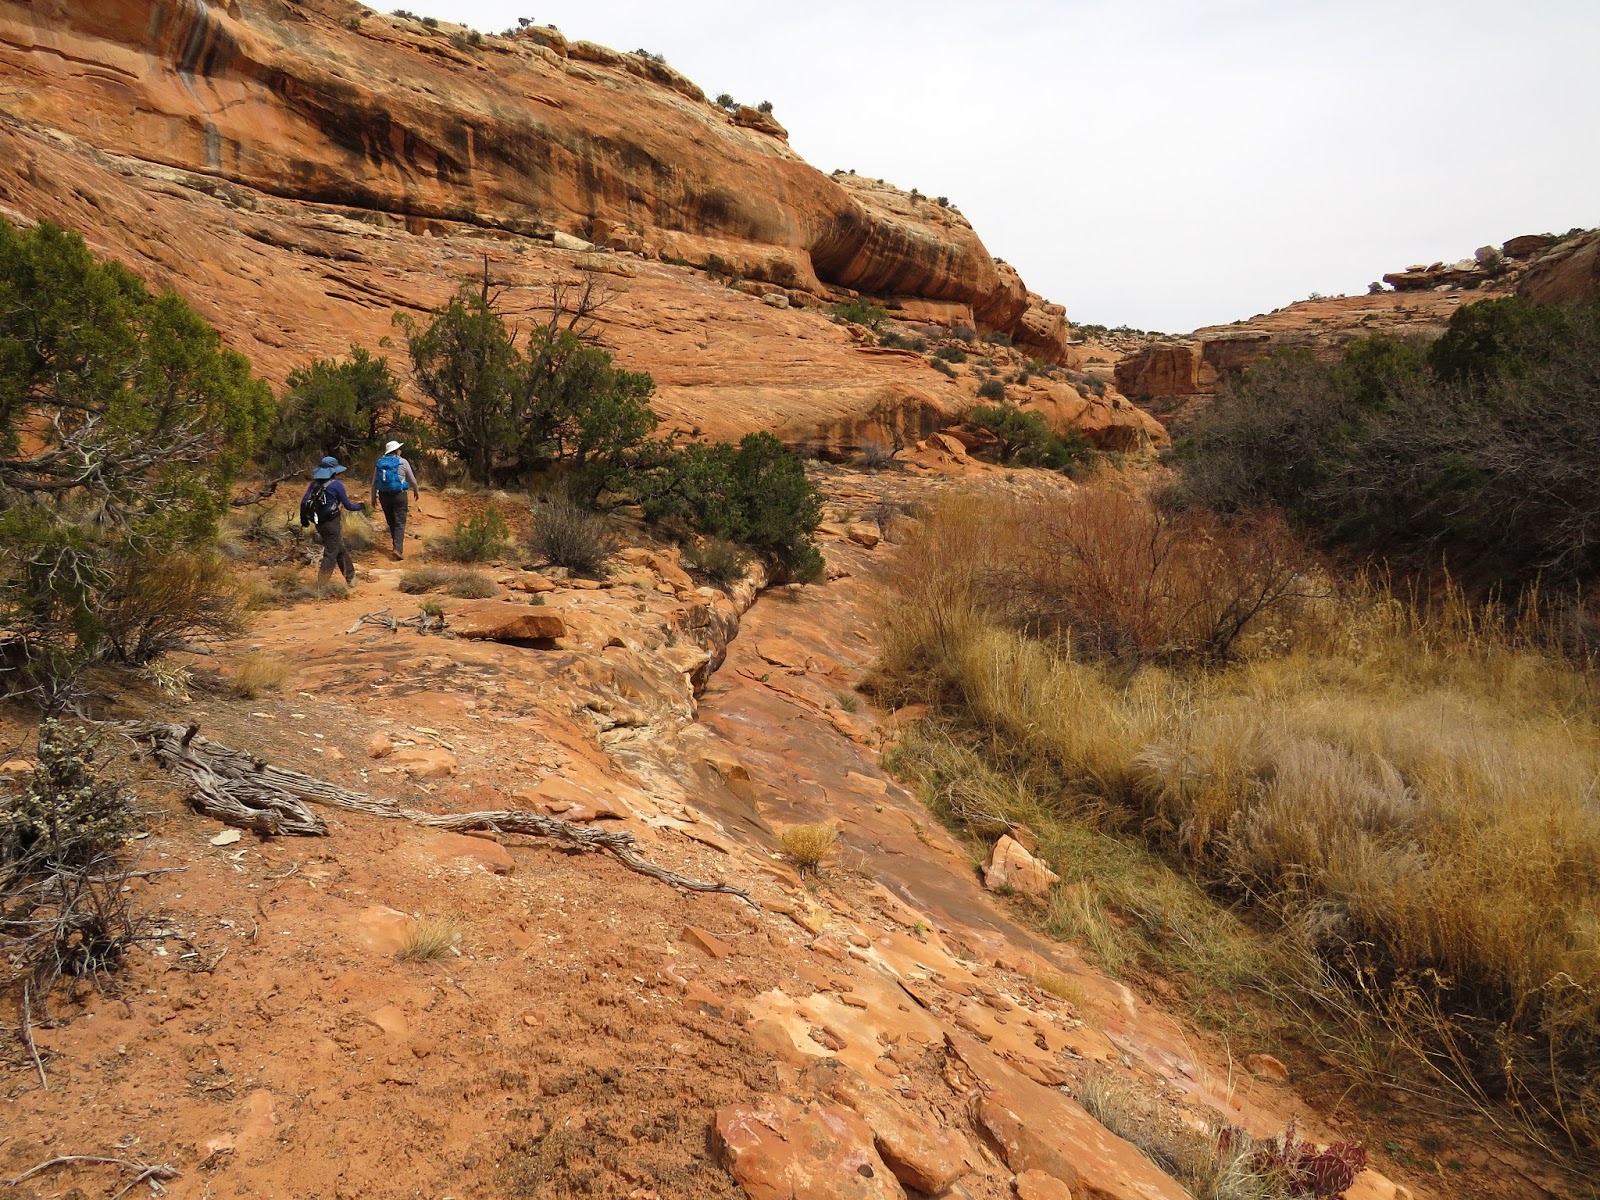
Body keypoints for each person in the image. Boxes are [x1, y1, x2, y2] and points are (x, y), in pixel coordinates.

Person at [299, 456, 366, 586]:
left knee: (337, 547)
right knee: (331, 553)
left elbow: (303, 502)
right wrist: (361, 506)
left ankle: (350, 577)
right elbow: (348, 506)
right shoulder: (336, 485)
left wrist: (304, 519)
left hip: (319, 523)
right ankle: (321, 585)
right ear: (334, 471)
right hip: (332, 523)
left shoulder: (314, 484)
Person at [370, 439, 421, 560]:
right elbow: (412, 479)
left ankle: (395, 545)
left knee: (391, 521)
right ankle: (397, 549)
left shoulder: (380, 463)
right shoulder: (402, 462)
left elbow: (374, 482)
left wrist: (373, 497)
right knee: (400, 521)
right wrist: (416, 490)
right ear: (396, 450)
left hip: (384, 495)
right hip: (399, 495)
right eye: (399, 448)